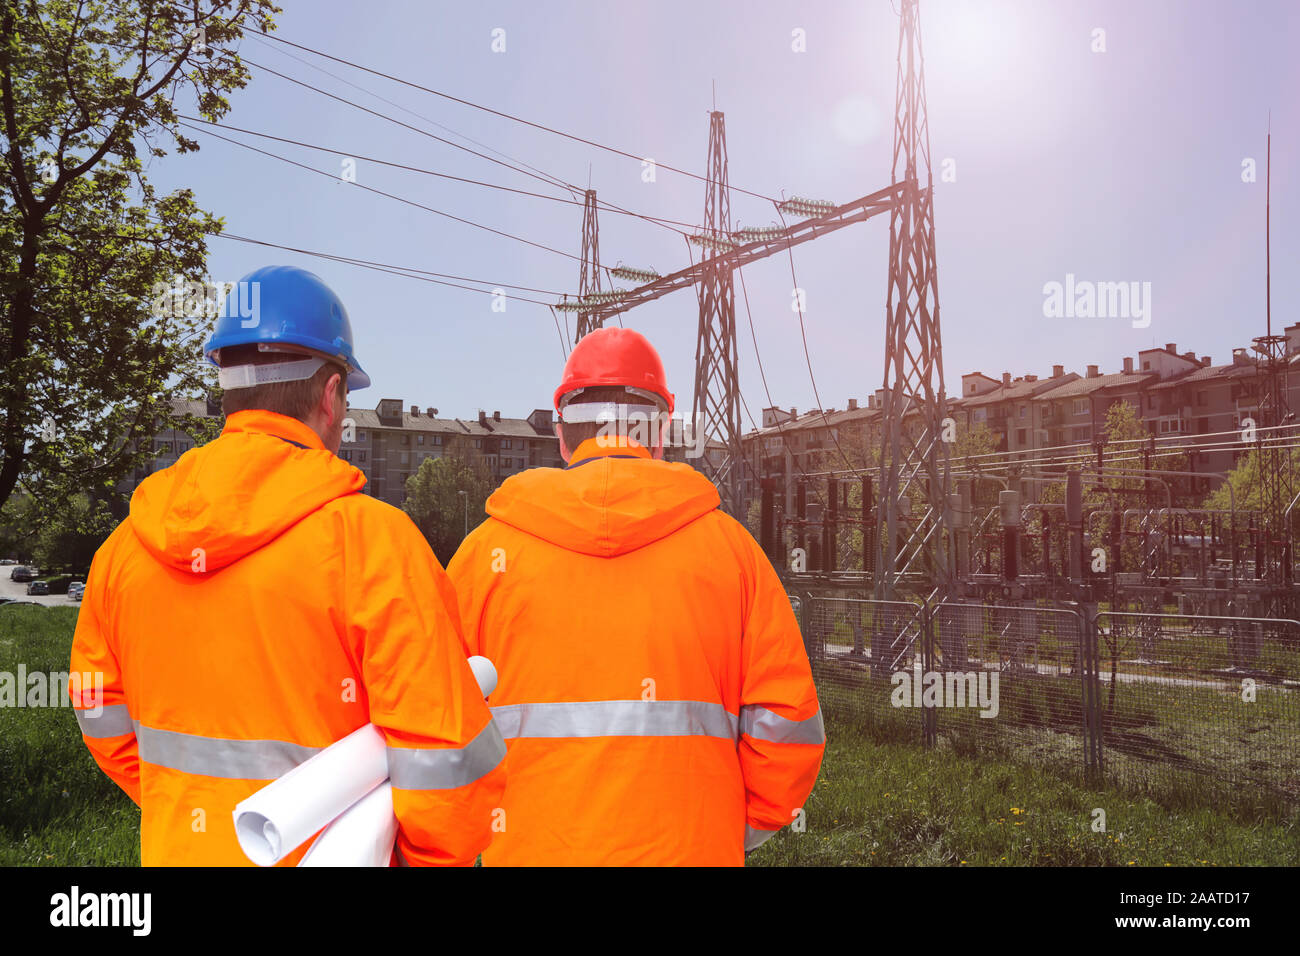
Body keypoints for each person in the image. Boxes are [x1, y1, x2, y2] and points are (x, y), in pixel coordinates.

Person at [69, 265, 506, 866]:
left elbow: (99, 711)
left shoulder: (124, 550)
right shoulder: (374, 544)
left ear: (228, 386)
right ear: (330, 395)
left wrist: (192, 813)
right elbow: (446, 761)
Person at [447, 326, 823, 865]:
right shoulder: (732, 552)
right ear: (661, 430)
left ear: (562, 432)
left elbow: (435, 733)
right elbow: (788, 730)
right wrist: (725, 828)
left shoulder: (484, 557)